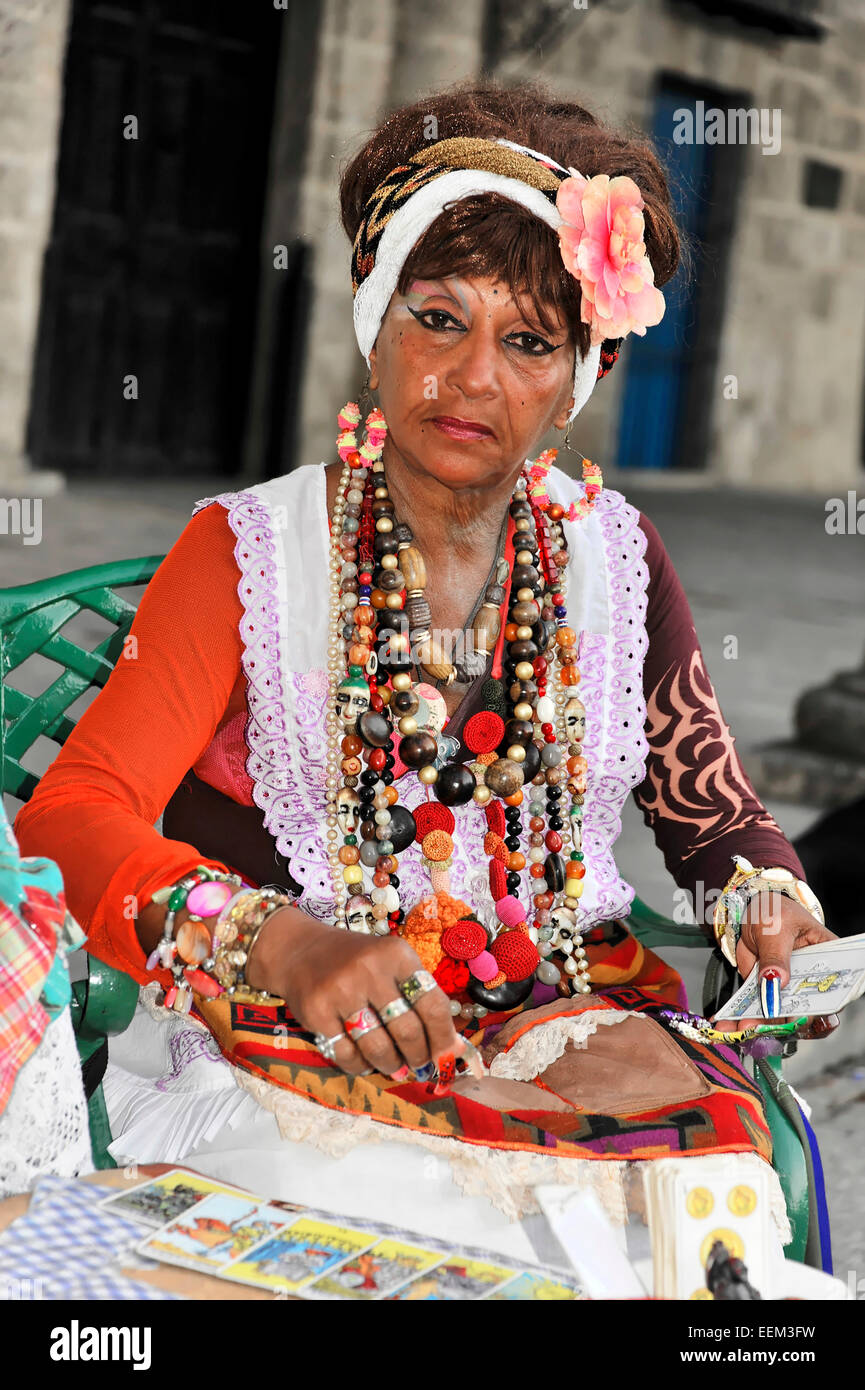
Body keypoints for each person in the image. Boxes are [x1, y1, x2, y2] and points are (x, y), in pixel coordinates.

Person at [15, 83, 835, 1255]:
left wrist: (764, 906)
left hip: (563, 998)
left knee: (694, 1209)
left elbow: (711, 812)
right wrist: (287, 945)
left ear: (577, 380)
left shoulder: (610, 555)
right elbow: (72, 817)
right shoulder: (251, 552)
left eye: (530, 342)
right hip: (295, 1018)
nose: (472, 377)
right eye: (438, 317)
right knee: (416, 1228)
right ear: (375, 321)